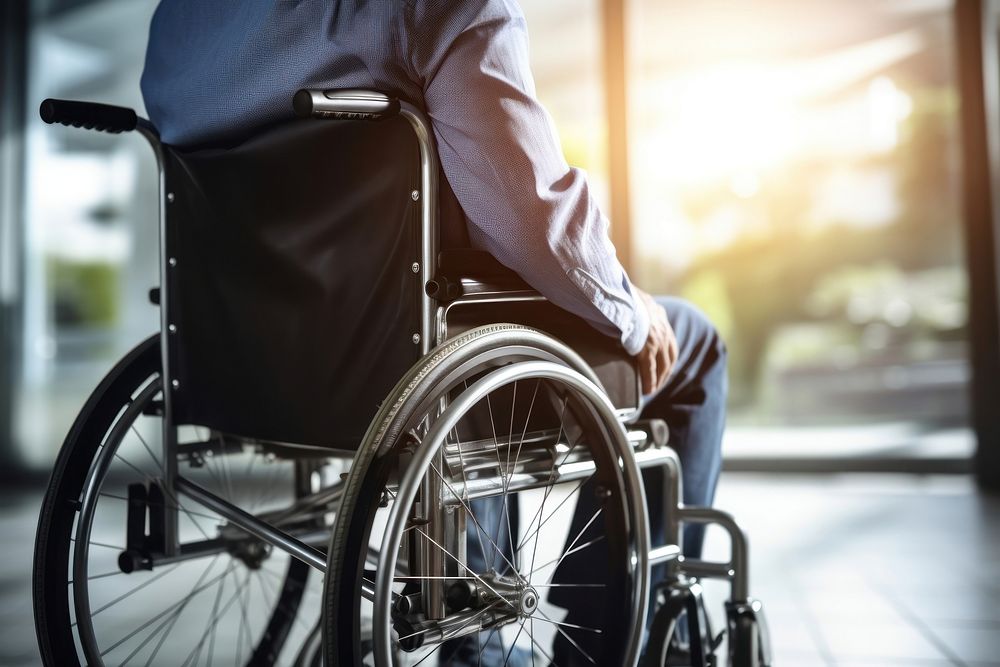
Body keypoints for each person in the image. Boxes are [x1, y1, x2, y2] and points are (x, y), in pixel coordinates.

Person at [141, 1, 727, 664]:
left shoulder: (183, 20)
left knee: (476, 335)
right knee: (692, 342)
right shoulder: (447, 8)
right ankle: (606, 635)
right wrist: (628, 304)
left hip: (248, 355)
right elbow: (528, 213)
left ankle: (477, 627)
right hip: (408, 361)